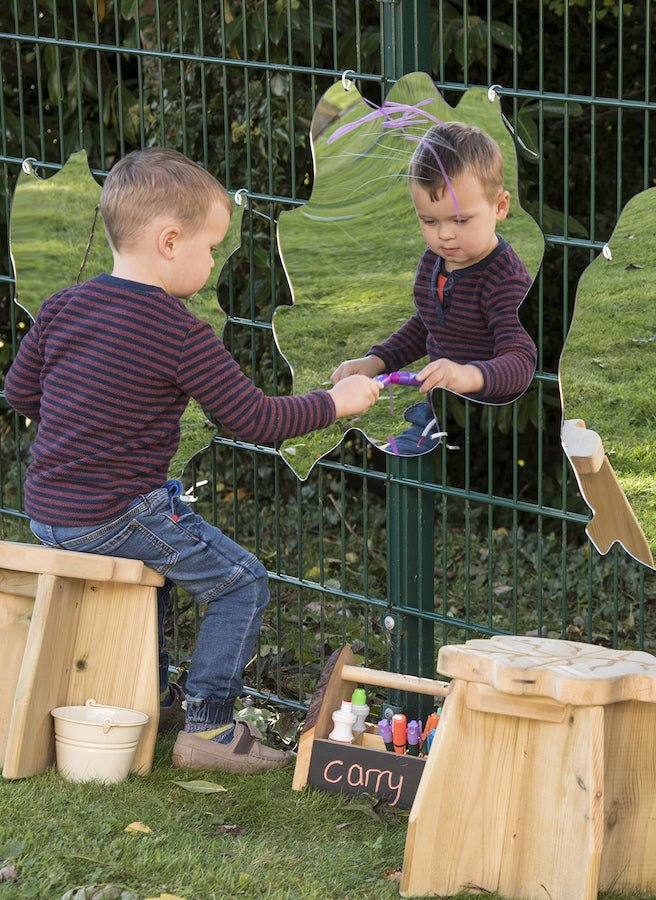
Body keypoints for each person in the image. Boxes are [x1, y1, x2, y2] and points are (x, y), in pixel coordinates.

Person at [4, 147, 381, 773]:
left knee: (155, 573)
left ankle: (142, 698)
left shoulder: (63, 307)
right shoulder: (180, 333)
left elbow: (19, 394)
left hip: (47, 512)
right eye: (211, 248)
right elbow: (257, 420)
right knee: (240, 583)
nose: (214, 262)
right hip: (115, 514)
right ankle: (208, 730)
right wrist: (336, 403)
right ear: (170, 241)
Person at [331, 121, 537, 454]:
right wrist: (377, 361)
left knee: (405, 460)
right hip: (444, 407)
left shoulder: (504, 279)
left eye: (460, 220)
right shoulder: (434, 261)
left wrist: (465, 376)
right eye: (429, 221)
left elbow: (521, 362)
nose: (444, 235)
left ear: (499, 206)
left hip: (489, 419)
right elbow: (428, 325)